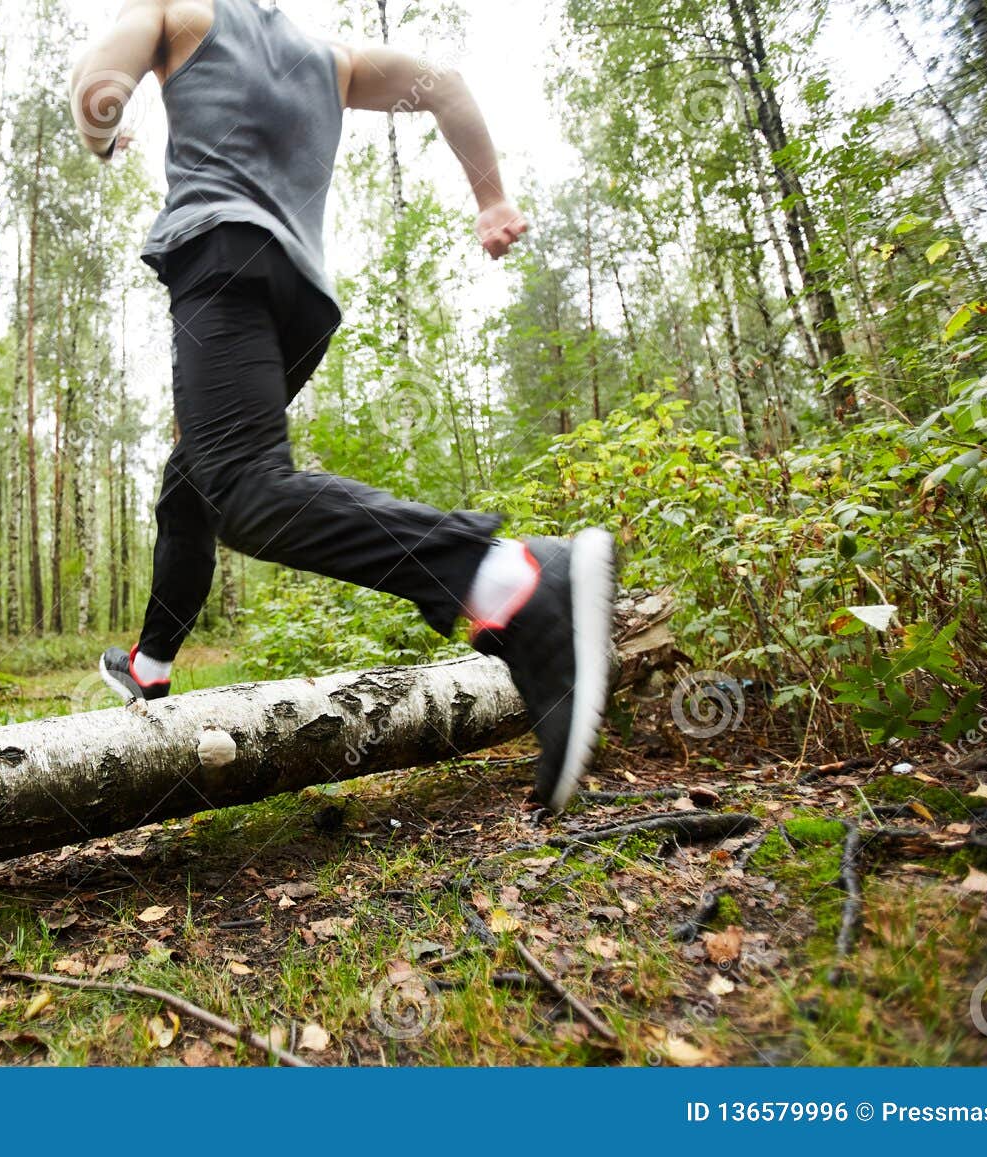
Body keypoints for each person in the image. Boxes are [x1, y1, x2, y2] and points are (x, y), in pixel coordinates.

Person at [69, 0, 615, 811]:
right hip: (299, 302)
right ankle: (150, 663)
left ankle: (506, 577)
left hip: (218, 258)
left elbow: (96, 87)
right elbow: (445, 84)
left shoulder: (175, 12)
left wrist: (105, 130)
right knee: (195, 479)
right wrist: (491, 198)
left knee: (247, 494)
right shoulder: (337, 58)